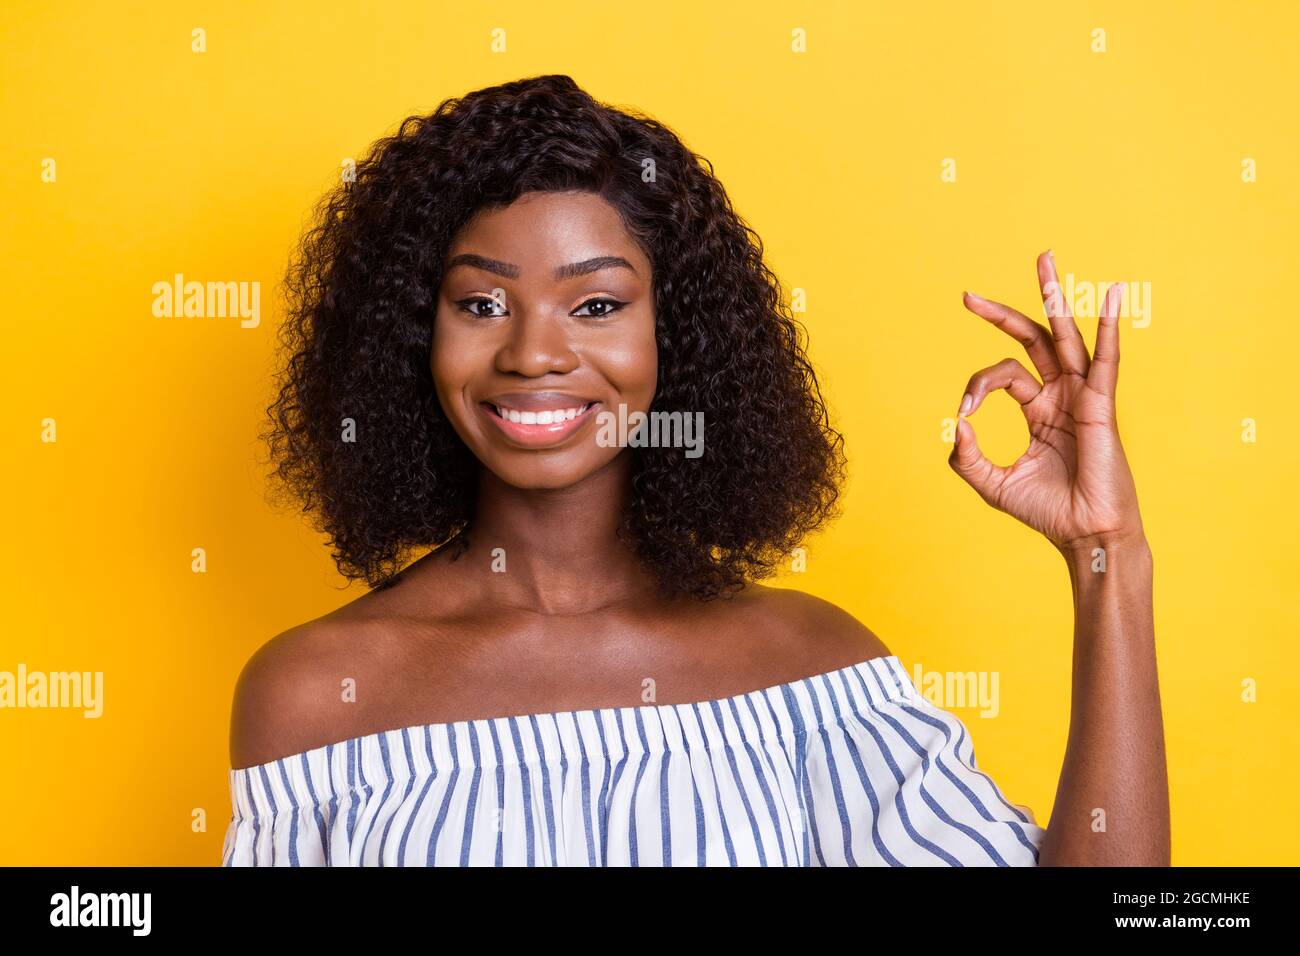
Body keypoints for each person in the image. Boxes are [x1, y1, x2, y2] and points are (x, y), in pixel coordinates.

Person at [222, 74, 1168, 866]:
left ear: (672, 337)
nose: (533, 355)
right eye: (480, 304)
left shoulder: (808, 669)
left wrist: (1106, 553)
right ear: (410, 338)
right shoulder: (315, 694)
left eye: (595, 306)